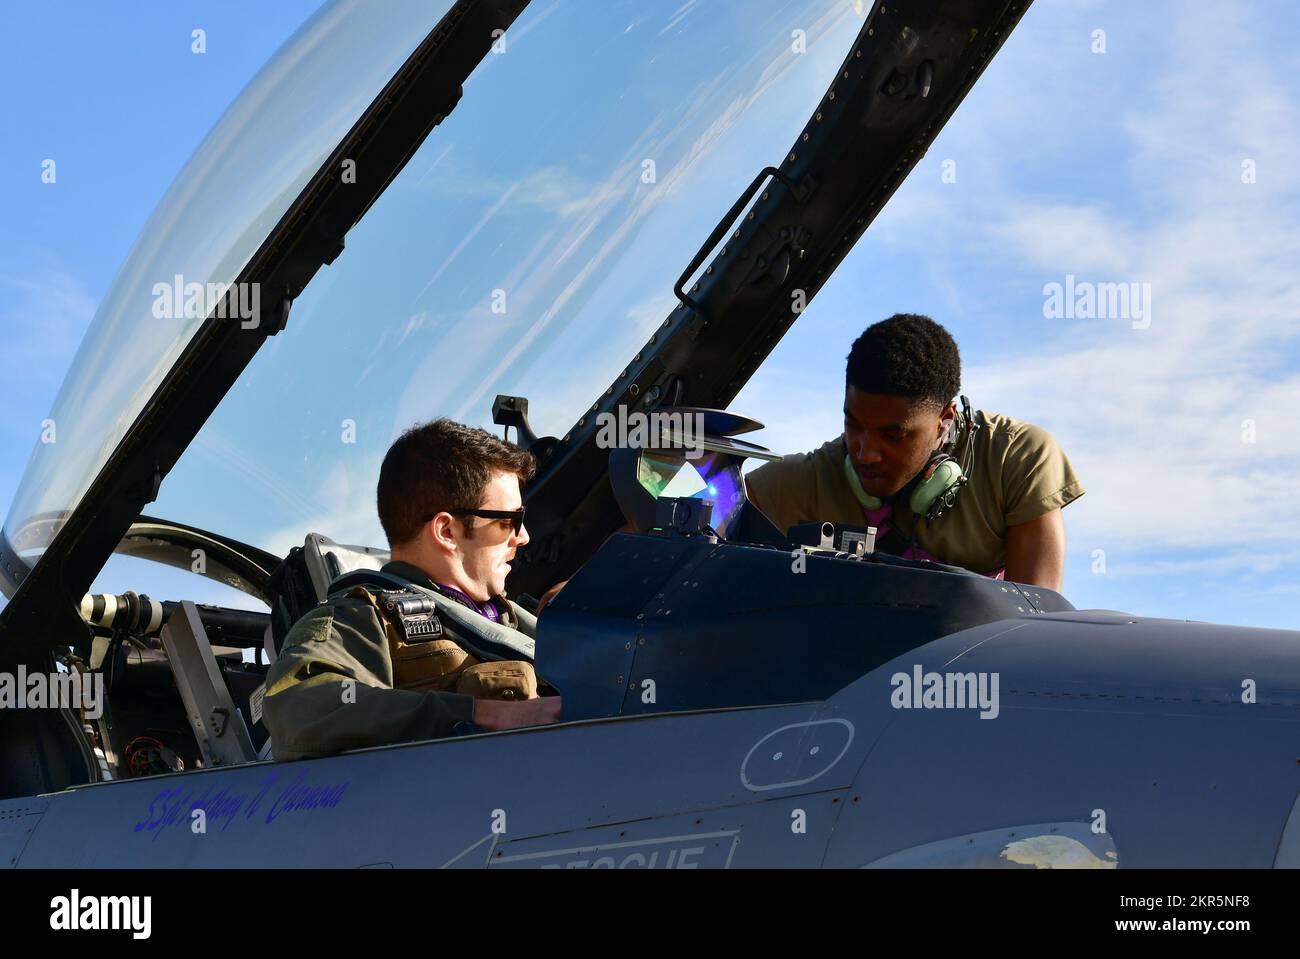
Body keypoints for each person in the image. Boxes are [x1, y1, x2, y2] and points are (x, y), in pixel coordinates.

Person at [263, 418, 561, 761]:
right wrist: (487, 715)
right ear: (446, 531)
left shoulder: (516, 619)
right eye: (507, 522)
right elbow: (299, 707)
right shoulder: (361, 619)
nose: (522, 538)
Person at [745, 314, 1084, 590]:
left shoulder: (1016, 458)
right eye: (854, 425)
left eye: (892, 435)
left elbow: (1035, 618)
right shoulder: (814, 477)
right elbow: (715, 511)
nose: (865, 454)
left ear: (944, 419)